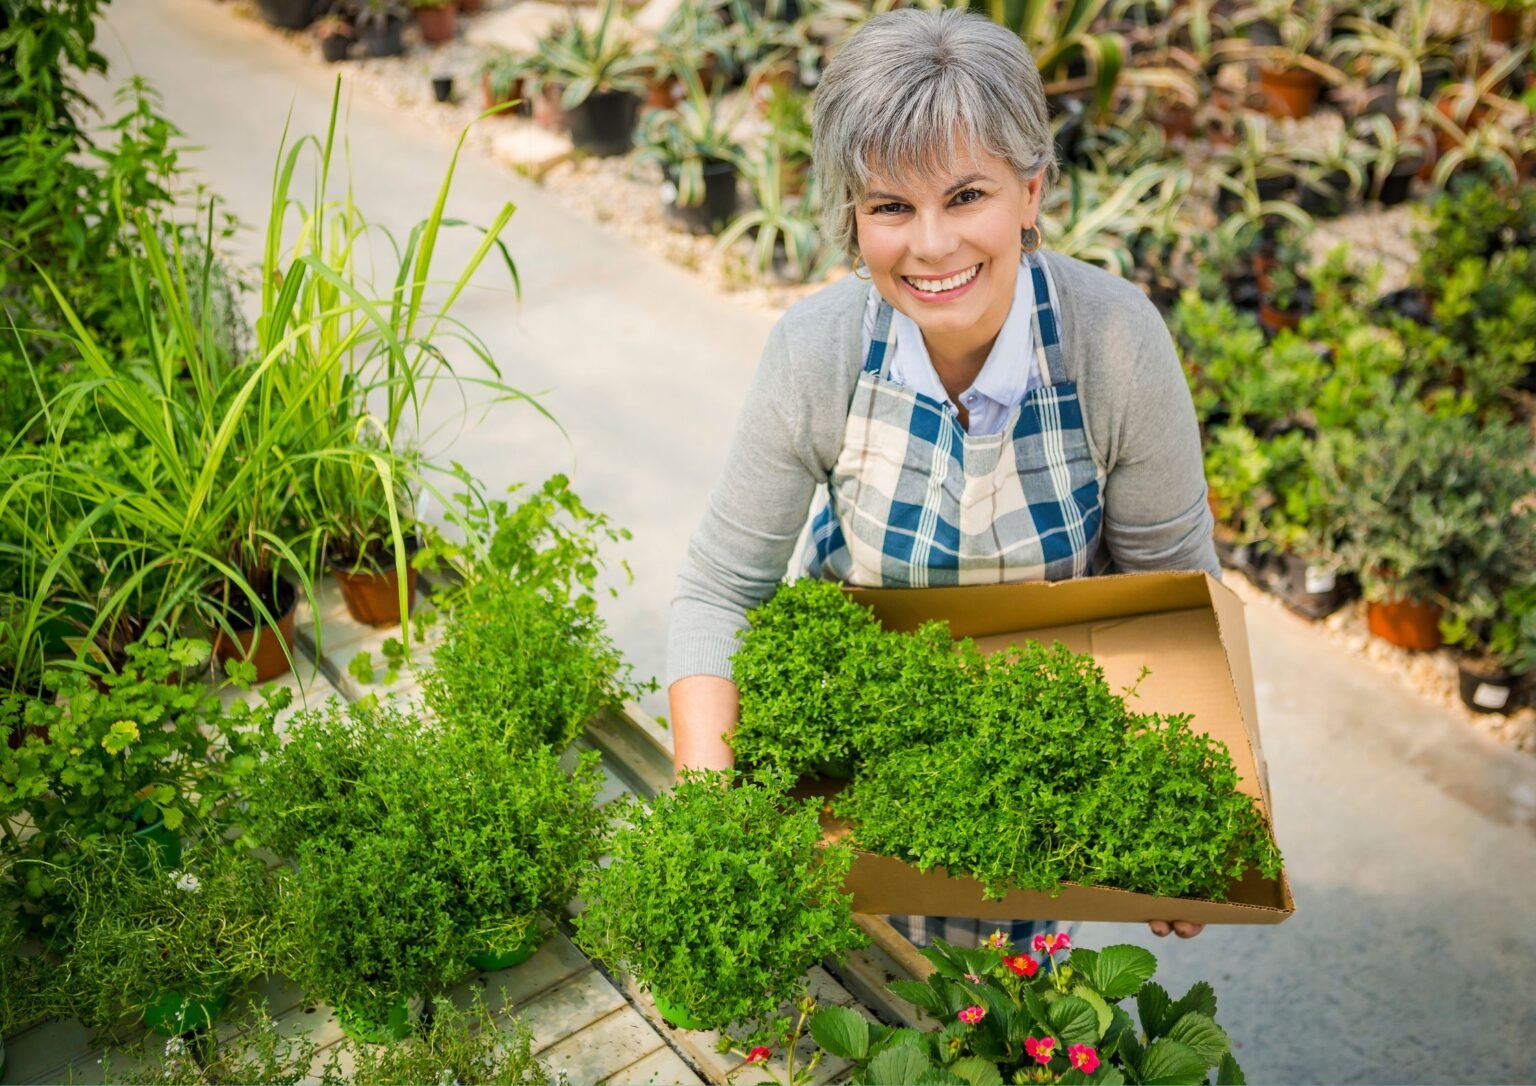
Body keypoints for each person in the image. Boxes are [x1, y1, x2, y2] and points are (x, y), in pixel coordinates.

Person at [666, 6, 1214, 944]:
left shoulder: (1116, 343)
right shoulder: (819, 350)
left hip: (1031, 783)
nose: (930, 246)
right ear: (853, 216)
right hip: (845, 774)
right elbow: (719, 592)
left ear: (1031, 190)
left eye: (966, 196)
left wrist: (1189, 814)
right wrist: (716, 818)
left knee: (993, 1032)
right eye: (890, 206)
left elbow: (1171, 594)